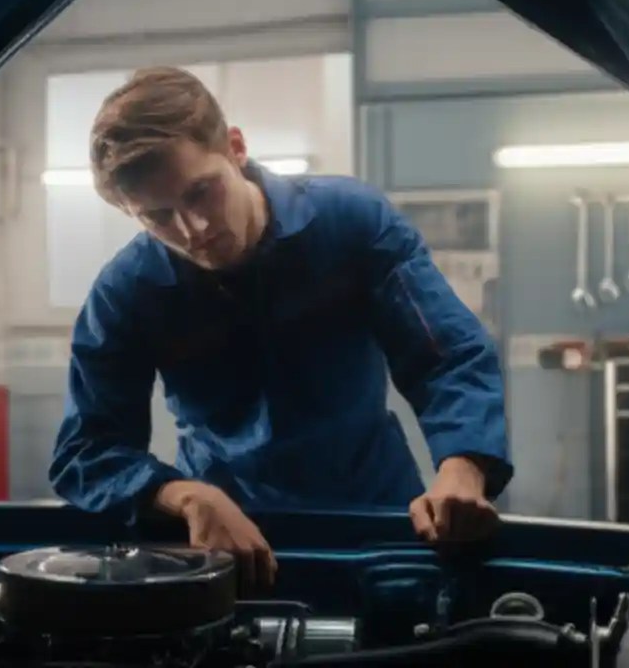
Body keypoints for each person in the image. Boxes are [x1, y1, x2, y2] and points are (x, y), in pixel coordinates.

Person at [49, 66, 513, 589]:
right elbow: (87, 450)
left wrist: (462, 469)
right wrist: (185, 495)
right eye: (157, 217)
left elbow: (446, 356)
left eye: (201, 192)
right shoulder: (125, 293)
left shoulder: (352, 222)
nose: (193, 230)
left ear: (235, 147)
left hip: (377, 523)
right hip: (225, 545)